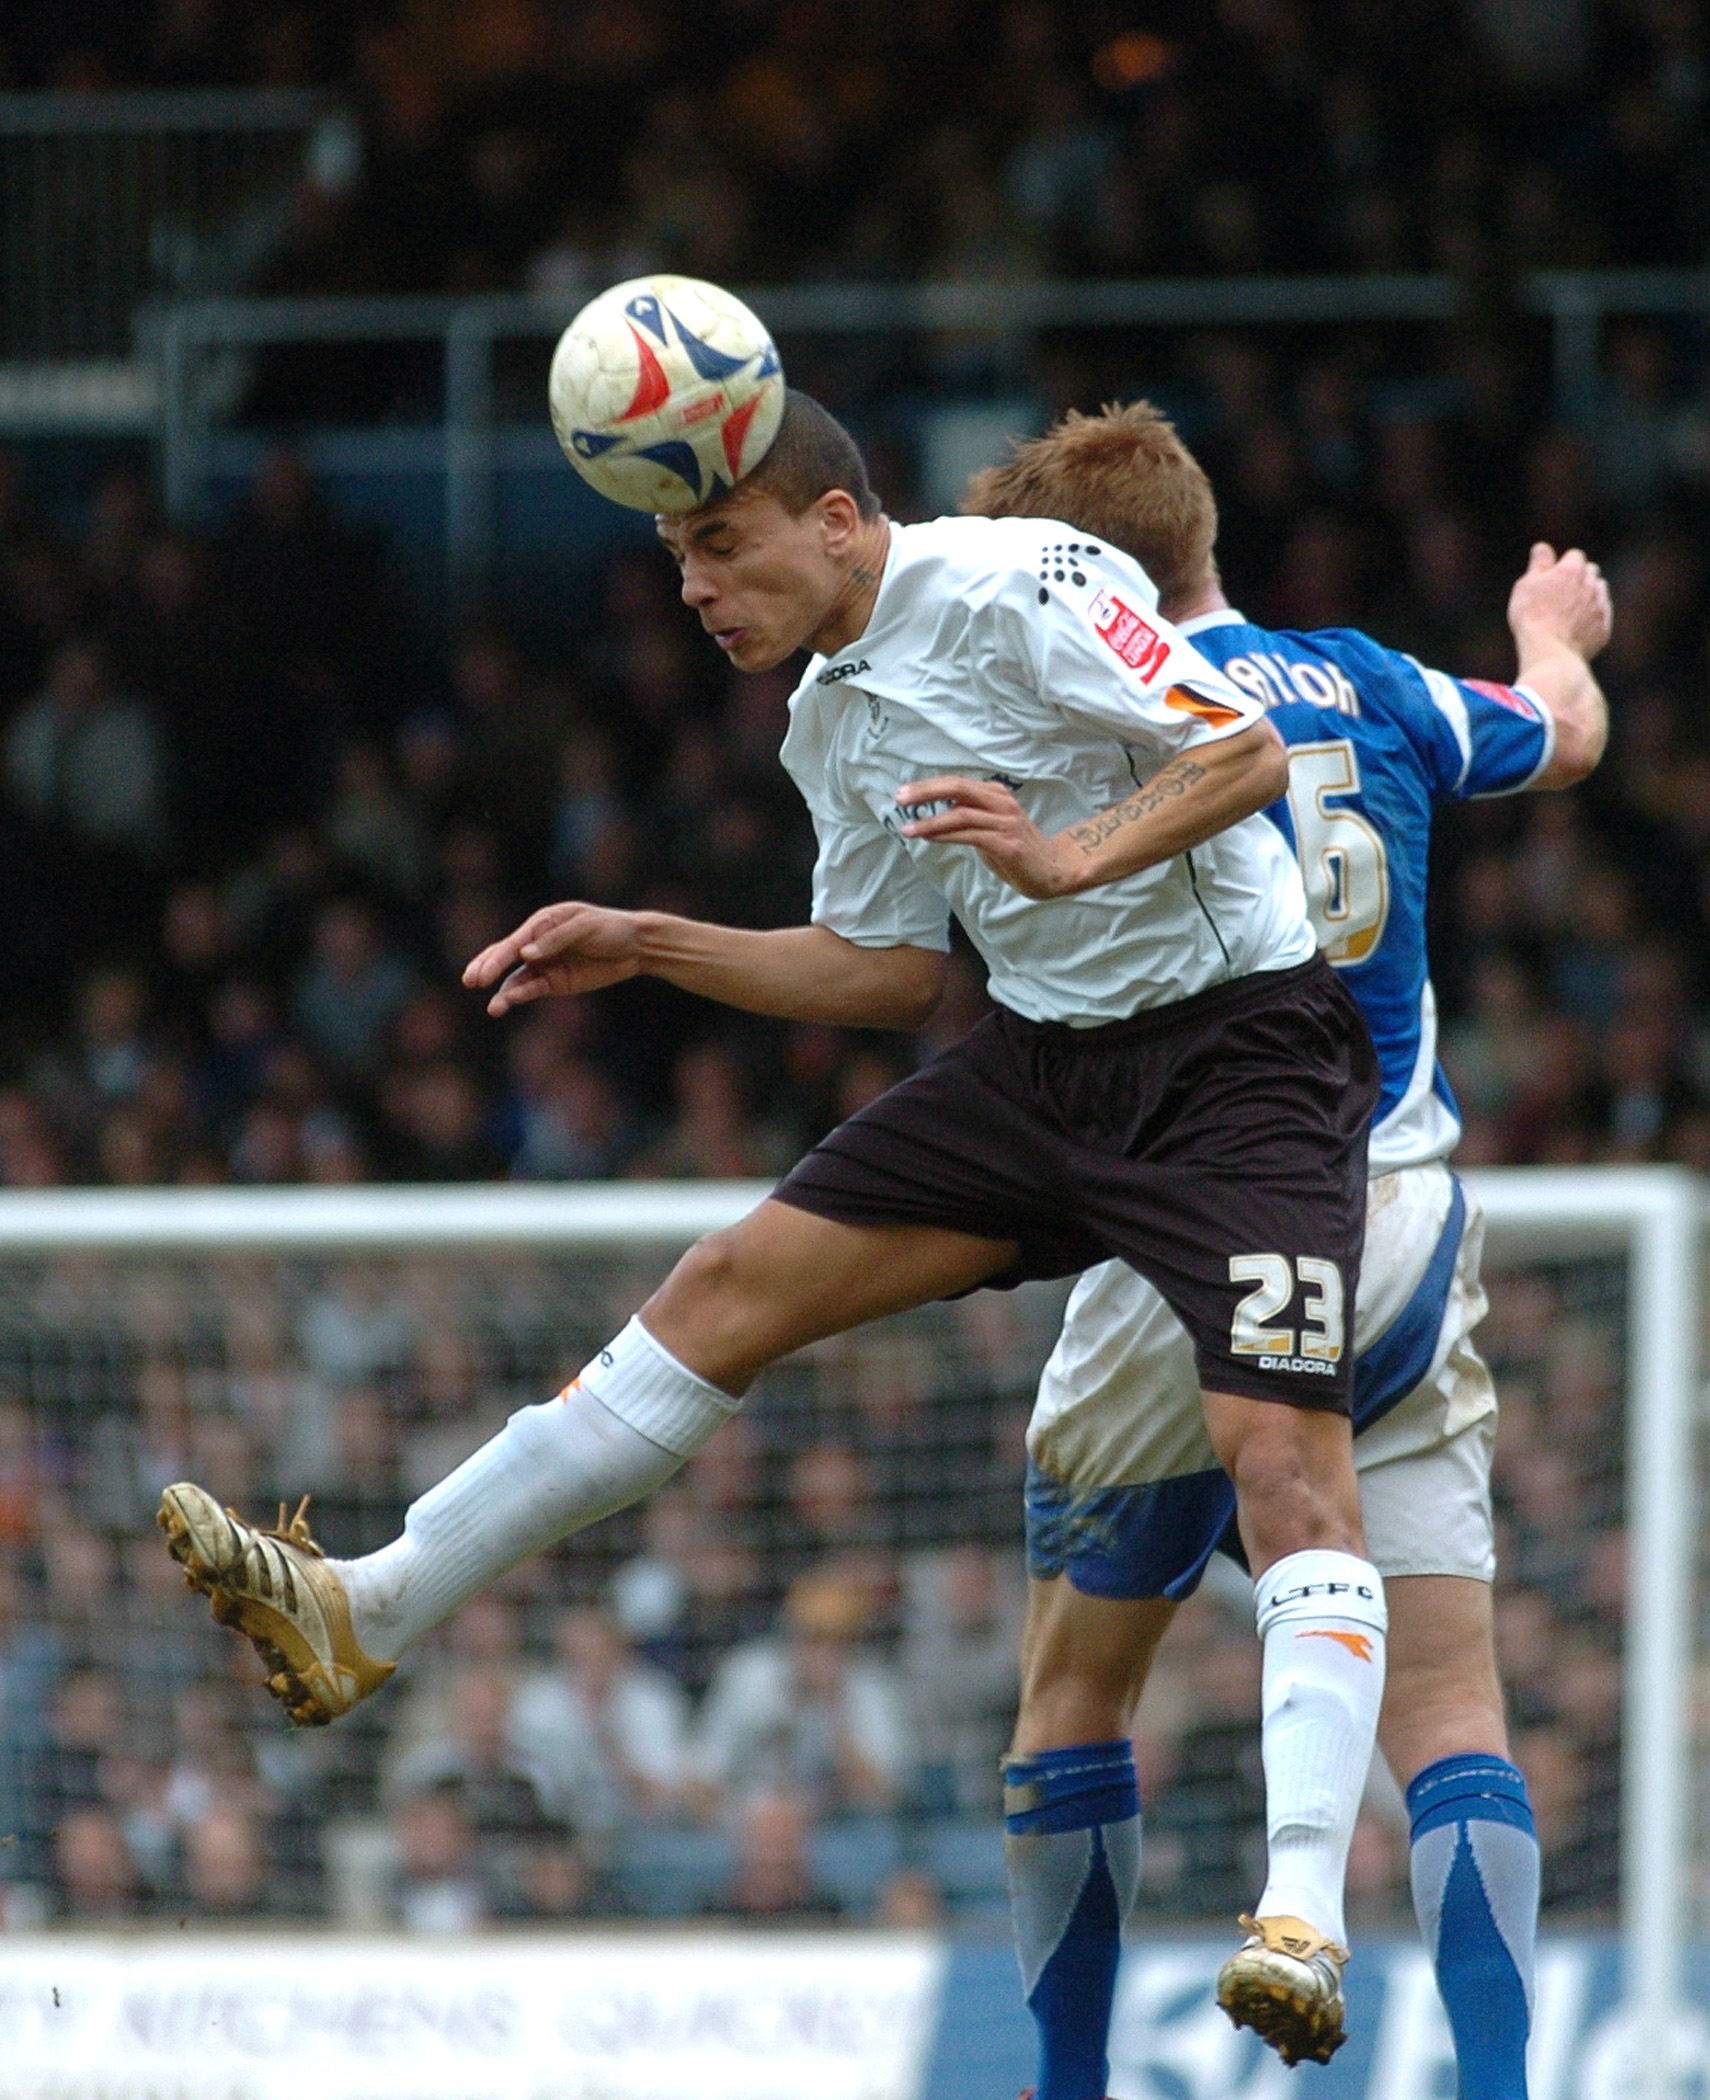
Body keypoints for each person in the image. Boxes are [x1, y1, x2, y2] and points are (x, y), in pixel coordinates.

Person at [158, 385, 1382, 2064]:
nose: (694, 588)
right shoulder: (826, 714)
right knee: (723, 1286)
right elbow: (883, 973)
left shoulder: (1023, 580)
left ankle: (1300, 1917)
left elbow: (1239, 750)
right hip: (1041, 1066)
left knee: (1281, 1468)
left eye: (720, 545)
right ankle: (368, 1606)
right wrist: (651, 941)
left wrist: (1061, 858)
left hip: (1239, 1062)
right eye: (677, 559)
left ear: (836, 520)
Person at [961, 401, 1608, 2095]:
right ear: (1200, 538)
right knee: (1450, 1707)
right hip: (1396, 1217)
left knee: (1073, 1695)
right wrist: (1547, 631)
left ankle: (1065, 2087)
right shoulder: (1369, 680)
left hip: (1190, 1230)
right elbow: (1562, 736)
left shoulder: (1085, 722)